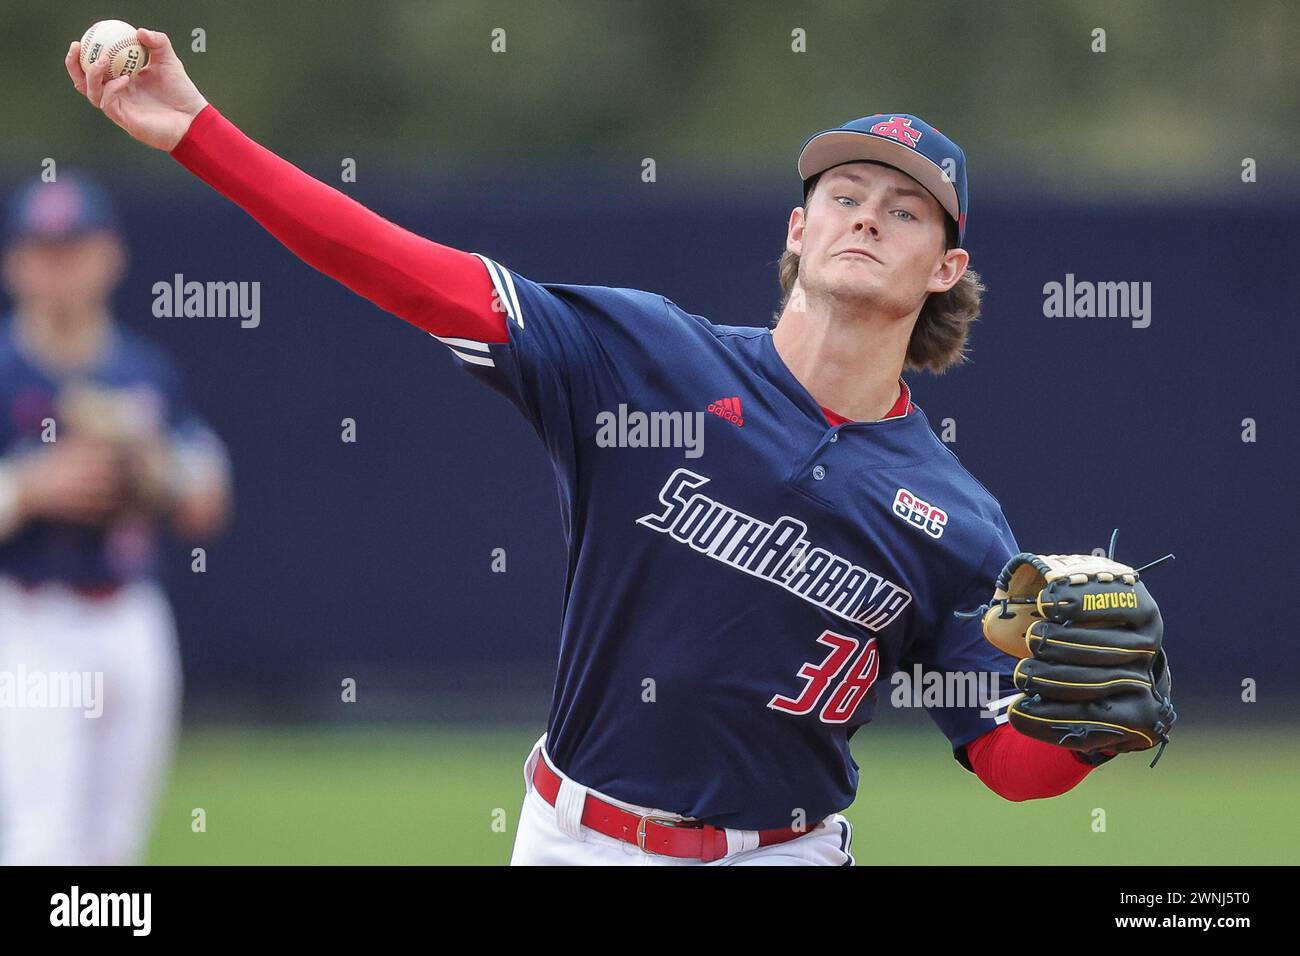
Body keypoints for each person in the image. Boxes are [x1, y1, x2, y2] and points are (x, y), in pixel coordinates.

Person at [65, 29, 1143, 867]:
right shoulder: (647, 359)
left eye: (906, 212)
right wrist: (202, 133)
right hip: (574, 838)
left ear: (944, 269)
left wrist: (1088, 726)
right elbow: (405, 268)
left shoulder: (954, 518)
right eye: (844, 196)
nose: (867, 218)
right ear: (796, 231)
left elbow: (1003, 760)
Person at [0, 171, 232, 864]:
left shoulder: (143, 370)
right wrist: (29, 487)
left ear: (110, 254)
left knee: (113, 847)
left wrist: (154, 469)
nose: (60, 266)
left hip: (130, 614)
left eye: (74, 247)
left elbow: (207, 498)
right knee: (43, 841)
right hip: (32, 618)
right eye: (44, 249)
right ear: (16, 261)